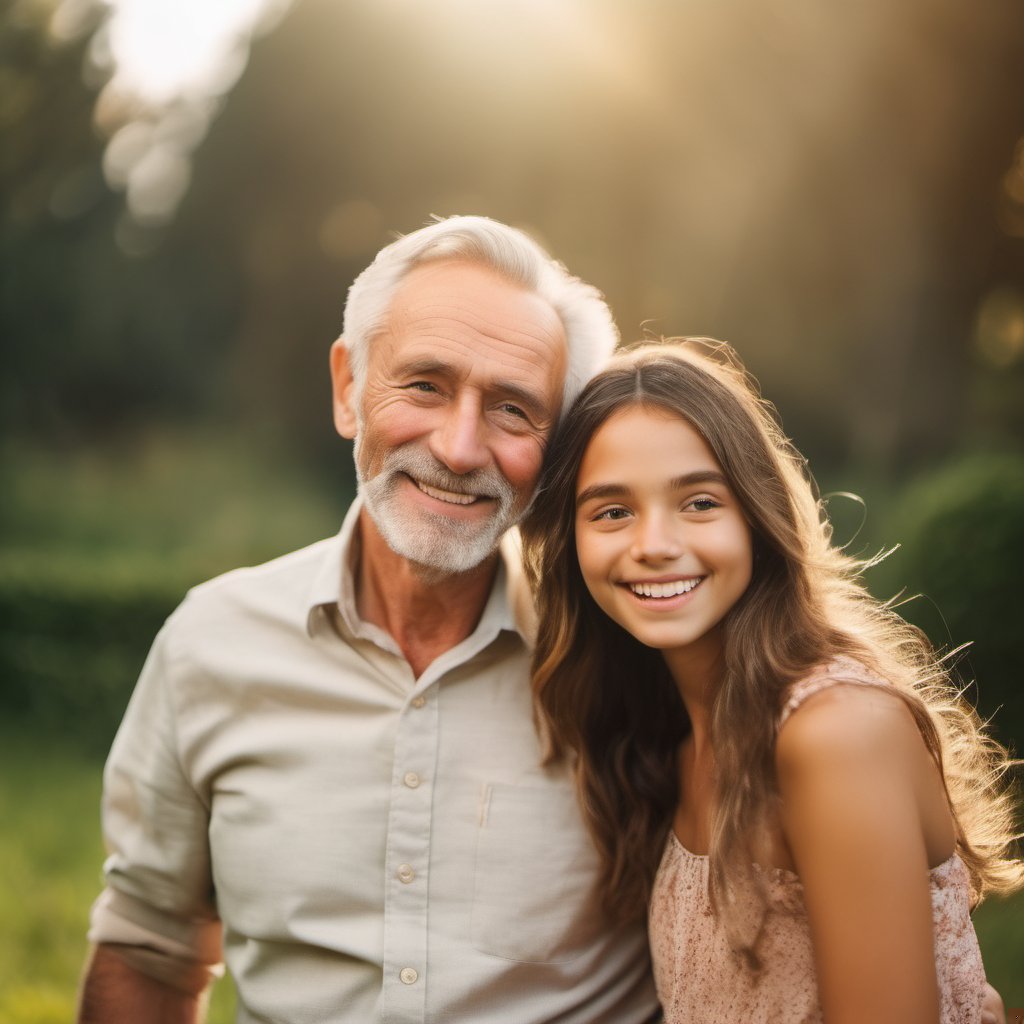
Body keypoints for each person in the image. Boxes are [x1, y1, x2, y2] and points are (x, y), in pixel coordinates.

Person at [76, 216, 661, 1023]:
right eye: (425, 384)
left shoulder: (636, 656)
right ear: (348, 388)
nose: (459, 448)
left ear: (557, 449)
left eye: (513, 409)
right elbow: (149, 950)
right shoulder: (210, 645)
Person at [522, 339, 1022, 1024]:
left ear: (758, 519)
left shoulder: (833, 733)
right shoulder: (670, 735)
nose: (655, 543)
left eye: (699, 502)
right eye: (612, 511)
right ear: (571, 542)